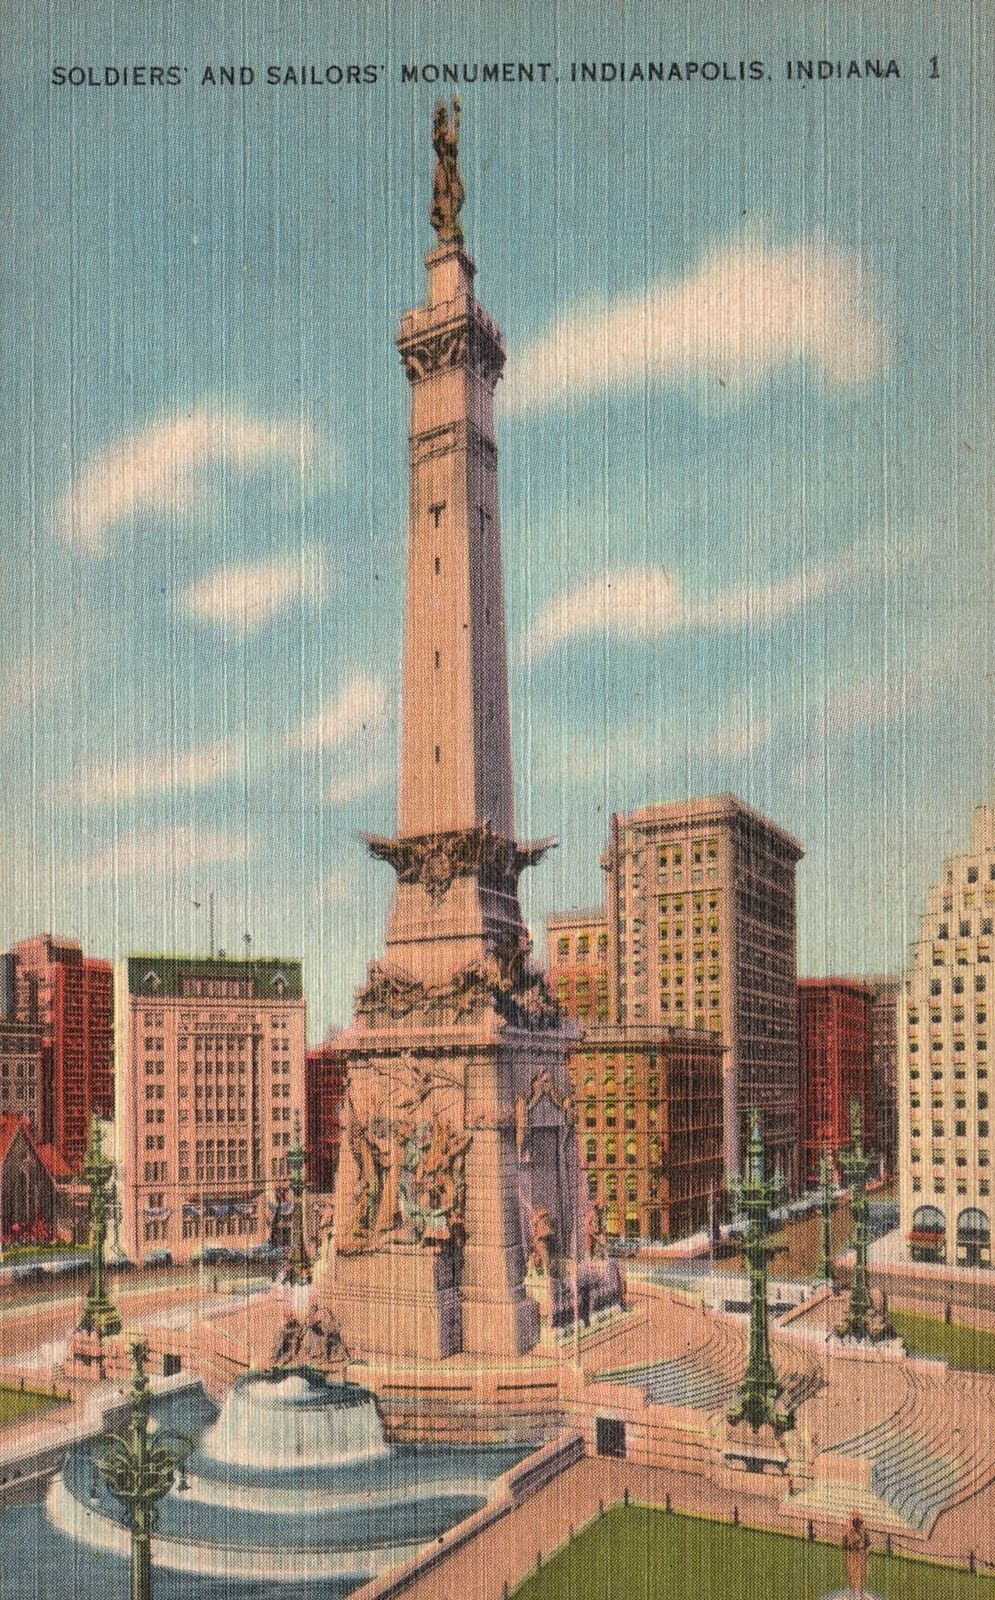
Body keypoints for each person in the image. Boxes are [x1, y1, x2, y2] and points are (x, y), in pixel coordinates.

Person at [842, 1511, 871, 1597]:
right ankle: (854, 1593)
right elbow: (844, 1545)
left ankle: (860, 1592)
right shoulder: (849, 1534)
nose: (858, 1525)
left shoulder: (864, 1534)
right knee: (852, 1574)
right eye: (857, 1523)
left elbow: (868, 1543)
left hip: (861, 1556)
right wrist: (852, 1547)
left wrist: (863, 1548)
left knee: (862, 1573)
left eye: (859, 1523)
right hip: (852, 1556)